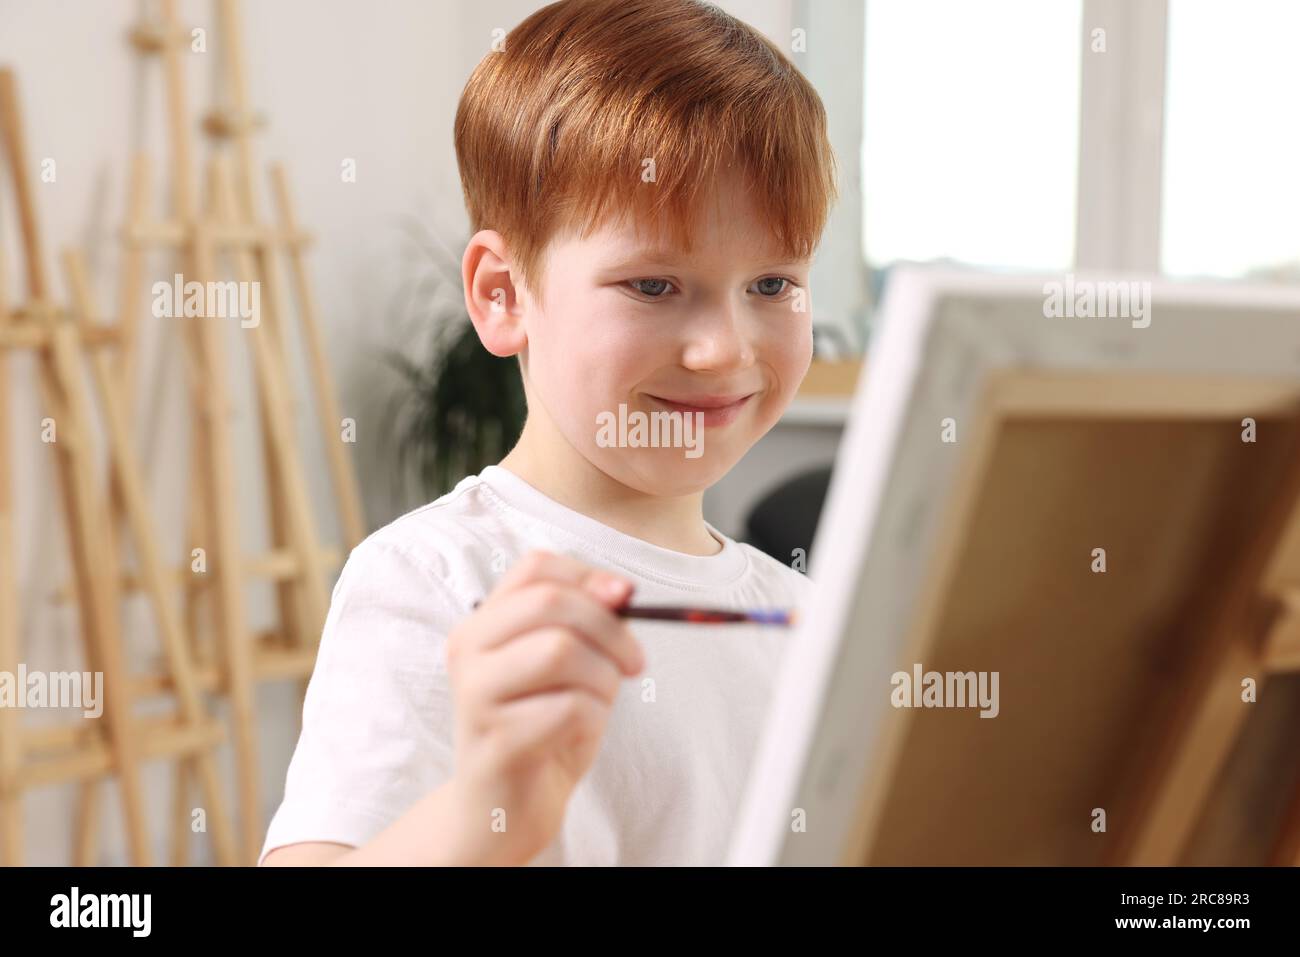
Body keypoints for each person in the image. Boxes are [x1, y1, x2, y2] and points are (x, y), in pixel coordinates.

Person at [261, 0, 837, 866]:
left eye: (771, 285)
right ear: (502, 294)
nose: (723, 350)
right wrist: (484, 812)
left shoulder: (803, 615)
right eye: (652, 285)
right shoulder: (436, 579)